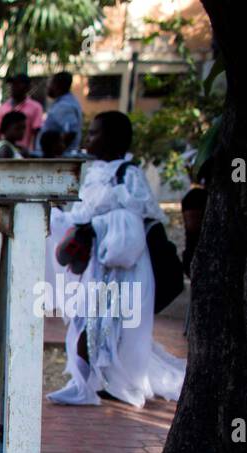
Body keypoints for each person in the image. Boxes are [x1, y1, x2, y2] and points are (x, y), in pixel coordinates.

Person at [46, 111, 186, 408]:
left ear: (113, 138)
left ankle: (93, 383)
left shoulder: (128, 173)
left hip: (124, 267)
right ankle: (87, 381)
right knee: (89, 320)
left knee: (111, 324)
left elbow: (137, 212)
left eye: (95, 133)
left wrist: (97, 222)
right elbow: (83, 214)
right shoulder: (96, 172)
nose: (89, 139)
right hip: (98, 267)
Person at [38, 71, 82, 156]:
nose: (47, 87)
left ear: (57, 85)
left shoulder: (64, 105)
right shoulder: (64, 102)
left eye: (50, 83)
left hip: (61, 158)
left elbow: (71, 132)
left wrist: (54, 153)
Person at [0, 74, 44, 152]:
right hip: (6, 150)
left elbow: (37, 133)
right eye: (12, 84)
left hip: (25, 155)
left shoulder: (36, 107)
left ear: (27, 87)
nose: (13, 87)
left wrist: (35, 154)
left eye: (17, 84)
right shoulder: (3, 107)